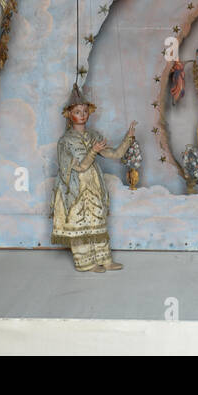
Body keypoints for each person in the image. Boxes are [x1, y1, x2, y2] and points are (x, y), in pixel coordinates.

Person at [51, 84, 135, 273]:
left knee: (96, 218)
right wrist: (92, 152)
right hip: (76, 187)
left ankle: (105, 259)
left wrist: (128, 138)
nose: (82, 115)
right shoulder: (65, 142)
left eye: (85, 111)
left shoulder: (94, 136)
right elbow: (80, 167)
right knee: (80, 220)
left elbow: (114, 154)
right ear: (69, 114)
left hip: (94, 183)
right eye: (77, 111)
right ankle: (85, 262)